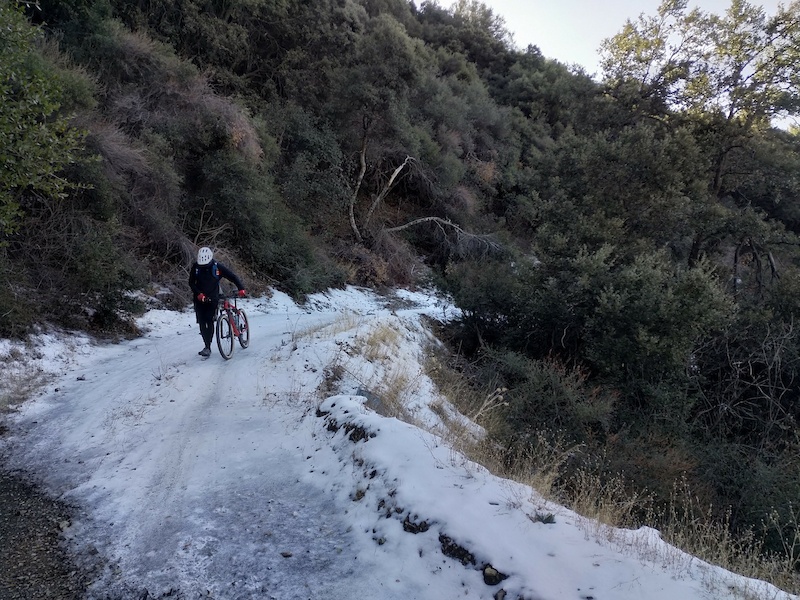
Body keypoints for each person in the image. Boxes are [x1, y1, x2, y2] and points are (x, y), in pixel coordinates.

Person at [188, 247, 246, 357]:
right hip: (199, 298)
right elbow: (191, 282)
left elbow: (232, 276)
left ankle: (207, 346)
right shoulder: (196, 267)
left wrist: (241, 288)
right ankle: (207, 346)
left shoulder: (217, 267)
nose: (203, 266)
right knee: (201, 322)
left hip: (213, 297)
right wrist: (198, 293)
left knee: (209, 320)